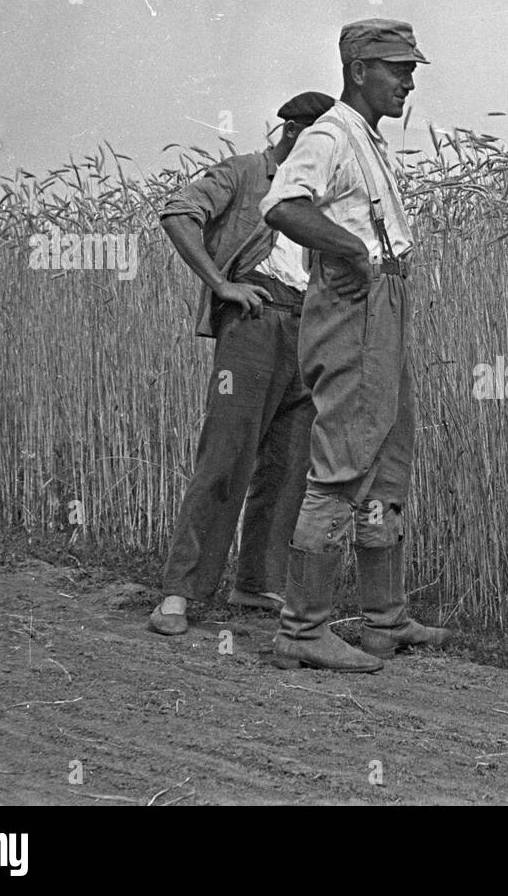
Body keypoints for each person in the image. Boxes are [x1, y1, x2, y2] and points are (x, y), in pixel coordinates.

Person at [259, 19, 451, 673]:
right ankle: (301, 628)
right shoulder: (331, 133)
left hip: (385, 305)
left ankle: (384, 619)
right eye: (398, 67)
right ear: (360, 70)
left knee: (387, 465)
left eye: (412, 67)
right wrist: (347, 248)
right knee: (342, 465)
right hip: (355, 309)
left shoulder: (365, 139)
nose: (410, 79)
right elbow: (283, 205)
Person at [149, 91, 336, 637]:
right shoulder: (244, 173)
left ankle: (256, 581)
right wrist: (222, 284)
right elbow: (178, 214)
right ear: (295, 133)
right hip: (254, 321)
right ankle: (179, 593)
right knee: (226, 456)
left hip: (309, 328)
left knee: (289, 464)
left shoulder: (318, 195)